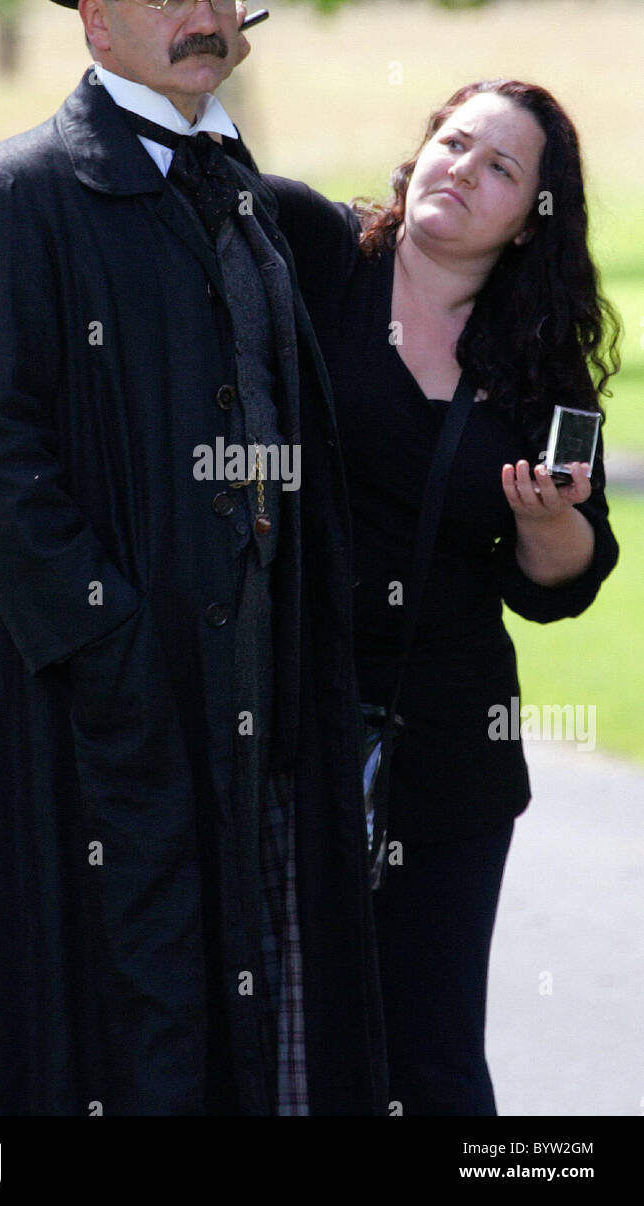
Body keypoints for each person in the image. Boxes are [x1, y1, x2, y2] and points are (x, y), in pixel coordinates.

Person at [0, 0, 386, 1117]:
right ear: (94, 19)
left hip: (251, 710)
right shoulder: (13, 199)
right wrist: (118, 647)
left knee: (237, 1033)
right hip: (90, 718)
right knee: (100, 1026)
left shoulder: (245, 199)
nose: (205, 14)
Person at [266, 79, 620, 1115]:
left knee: (429, 1064)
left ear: (529, 221)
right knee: (279, 1041)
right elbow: (193, 172)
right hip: (282, 731)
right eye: (455, 143)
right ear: (419, 151)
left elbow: (563, 584)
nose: (464, 169)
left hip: (448, 757)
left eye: (500, 167)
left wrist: (551, 525)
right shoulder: (320, 256)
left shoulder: (538, 365)